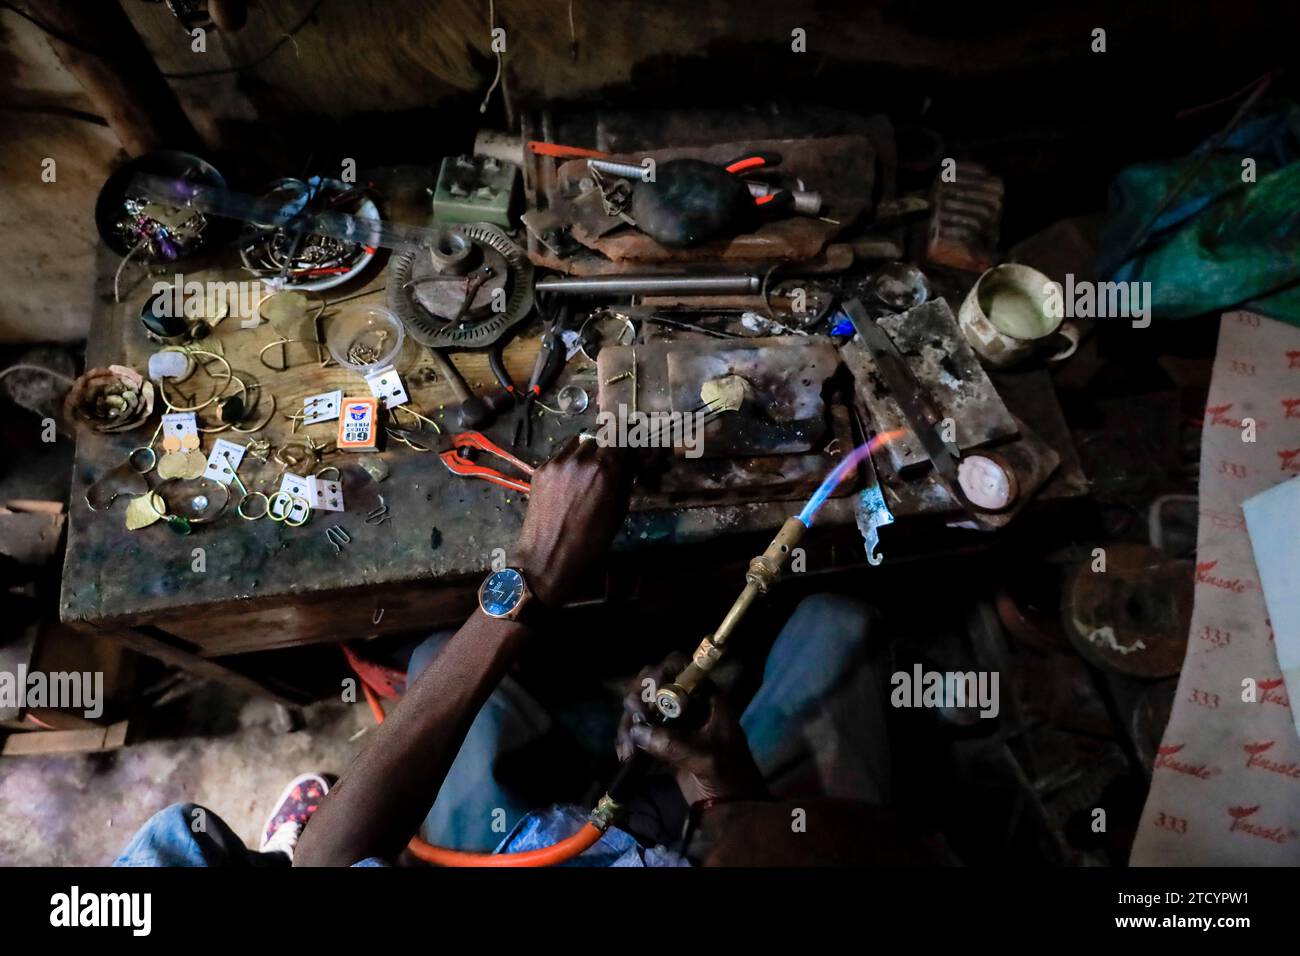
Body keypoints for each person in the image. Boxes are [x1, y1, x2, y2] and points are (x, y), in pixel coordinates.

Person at [118, 437, 919, 867]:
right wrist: (719, 784)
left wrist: (530, 585)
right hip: (721, 836)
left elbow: (330, 859)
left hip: (526, 848)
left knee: (438, 661)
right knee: (840, 624)